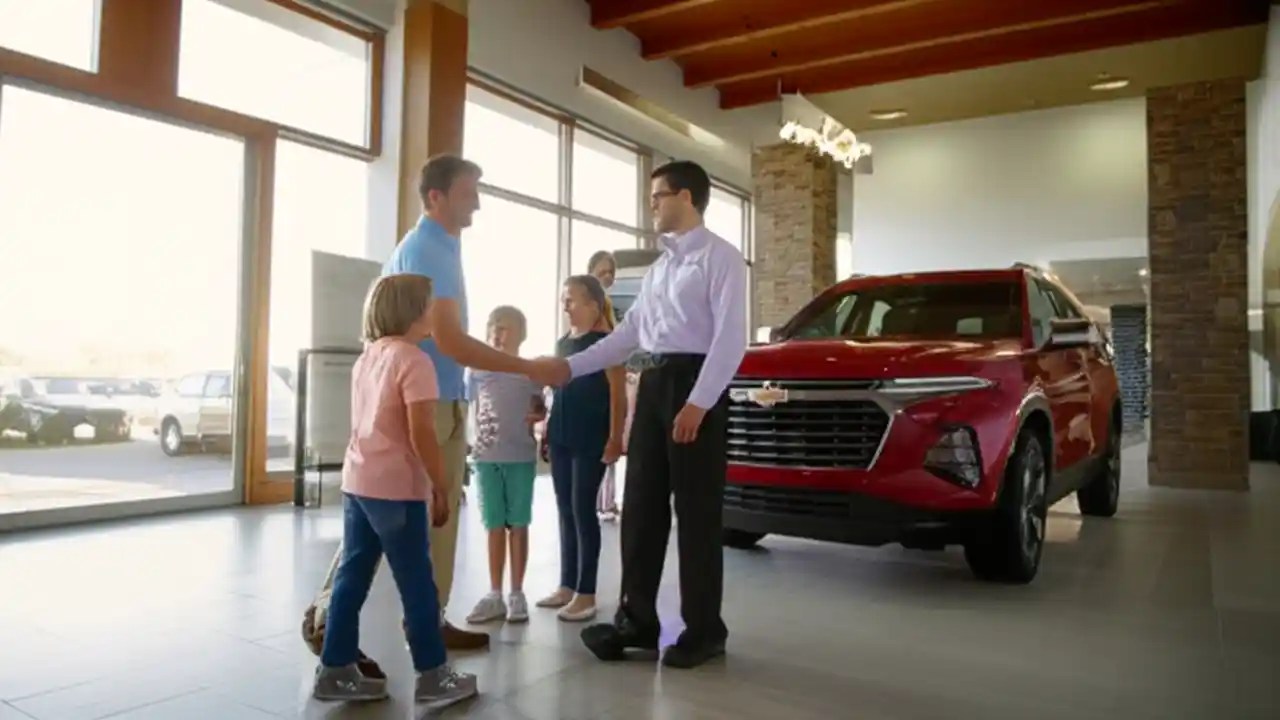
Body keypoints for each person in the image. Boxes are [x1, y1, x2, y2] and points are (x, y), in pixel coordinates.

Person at [303, 155, 537, 668]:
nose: (477, 200)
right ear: (436, 196)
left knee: (401, 528)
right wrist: (527, 366)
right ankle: (337, 622)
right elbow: (450, 340)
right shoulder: (429, 248)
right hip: (425, 405)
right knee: (407, 525)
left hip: (433, 400)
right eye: (468, 191)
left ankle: (421, 620)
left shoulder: (437, 247)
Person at [529, 160, 748, 669]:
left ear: (688, 197)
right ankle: (638, 621)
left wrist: (700, 401)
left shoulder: (723, 259)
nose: (651, 204)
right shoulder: (660, 270)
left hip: (696, 388)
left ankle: (704, 629)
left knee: (696, 516)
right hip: (652, 385)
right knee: (641, 510)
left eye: (659, 195)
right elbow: (627, 338)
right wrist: (569, 367)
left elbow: (730, 338)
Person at [312, 273, 477, 711]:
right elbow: (422, 432)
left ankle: (335, 668)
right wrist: (441, 487)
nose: (434, 312)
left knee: (352, 576)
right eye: (429, 305)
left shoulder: (368, 358)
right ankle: (433, 675)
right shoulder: (415, 361)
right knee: (418, 584)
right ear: (411, 312)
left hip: (358, 483)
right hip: (396, 489)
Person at [536, 275, 626, 622]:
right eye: (564, 300)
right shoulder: (563, 344)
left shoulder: (607, 344)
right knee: (564, 509)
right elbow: (558, 391)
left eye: (572, 300)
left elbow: (617, 394)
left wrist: (615, 437)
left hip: (591, 437)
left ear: (593, 303)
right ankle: (566, 584)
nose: (566, 306)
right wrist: (546, 430)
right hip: (561, 434)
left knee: (582, 509)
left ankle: (586, 593)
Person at [463, 306, 545, 625]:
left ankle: (517, 592)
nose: (498, 333)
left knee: (519, 525)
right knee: (494, 525)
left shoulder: (530, 370)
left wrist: (538, 415)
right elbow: (467, 405)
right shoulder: (478, 370)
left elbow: (539, 406)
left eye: (506, 327)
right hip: (486, 457)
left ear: (521, 334)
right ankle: (495, 592)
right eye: (493, 326)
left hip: (521, 456)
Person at [587, 250, 622, 522]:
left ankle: (606, 500)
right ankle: (601, 500)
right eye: (602, 271)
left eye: (610, 271)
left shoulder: (610, 306)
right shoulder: (586, 304)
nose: (607, 276)